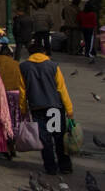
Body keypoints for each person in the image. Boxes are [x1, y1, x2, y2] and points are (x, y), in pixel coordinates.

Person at [20, 40, 75, 175]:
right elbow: (62, 89)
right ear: (44, 52)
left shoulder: (23, 67)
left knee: (44, 138)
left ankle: (50, 167)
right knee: (58, 136)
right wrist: (69, 109)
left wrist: (23, 109)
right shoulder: (53, 66)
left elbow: (22, 91)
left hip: (37, 107)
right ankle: (64, 165)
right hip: (54, 107)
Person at [0, 40, 26, 160]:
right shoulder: (16, 64)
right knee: (12, 122)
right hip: (14, 95)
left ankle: (0, 145)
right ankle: (11, 145)